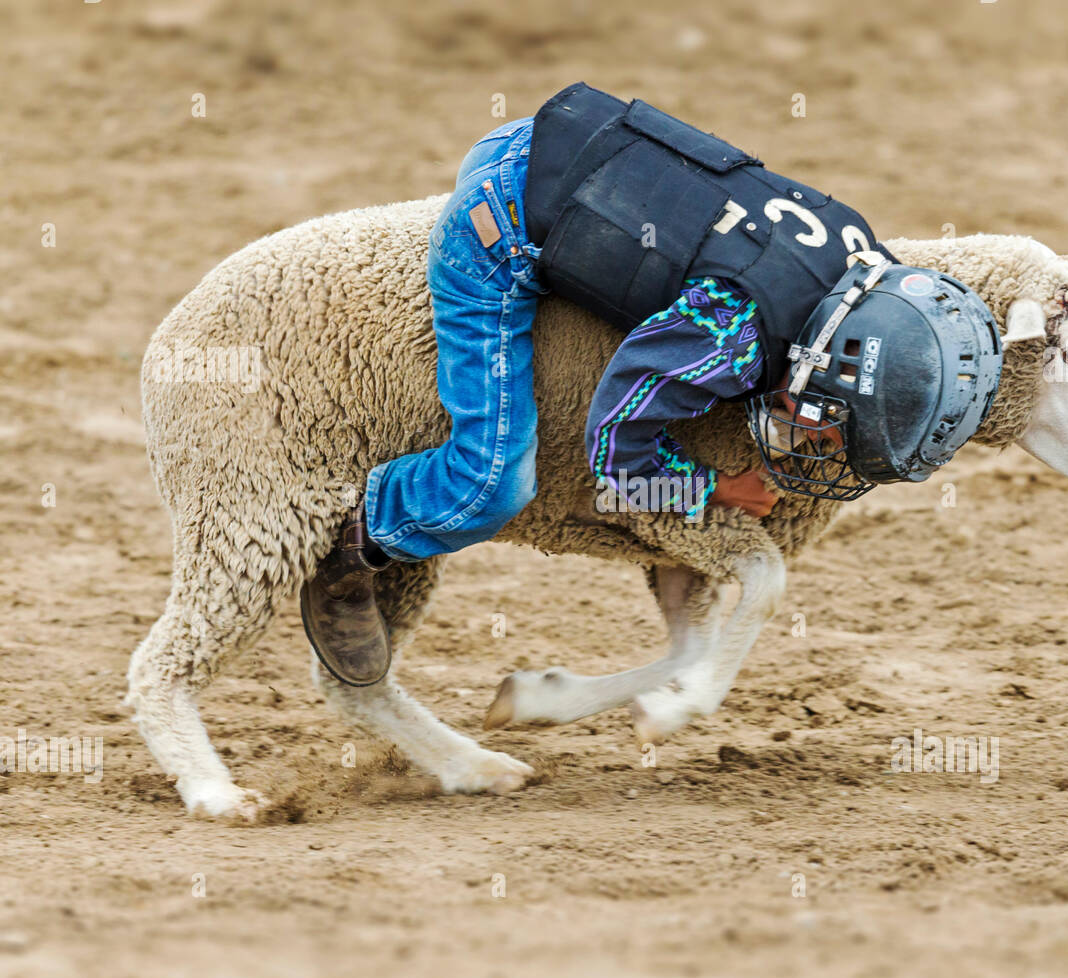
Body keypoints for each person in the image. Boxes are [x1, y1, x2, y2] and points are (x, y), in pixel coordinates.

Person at [301, 83, 1003, 687]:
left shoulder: (865, 258)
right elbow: (613, 446)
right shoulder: (733, 332)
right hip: (497, 225)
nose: (818, 438)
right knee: (493, 482)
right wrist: (714, 490)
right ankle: (354, 539)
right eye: (829, 420)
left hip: (557, 139)